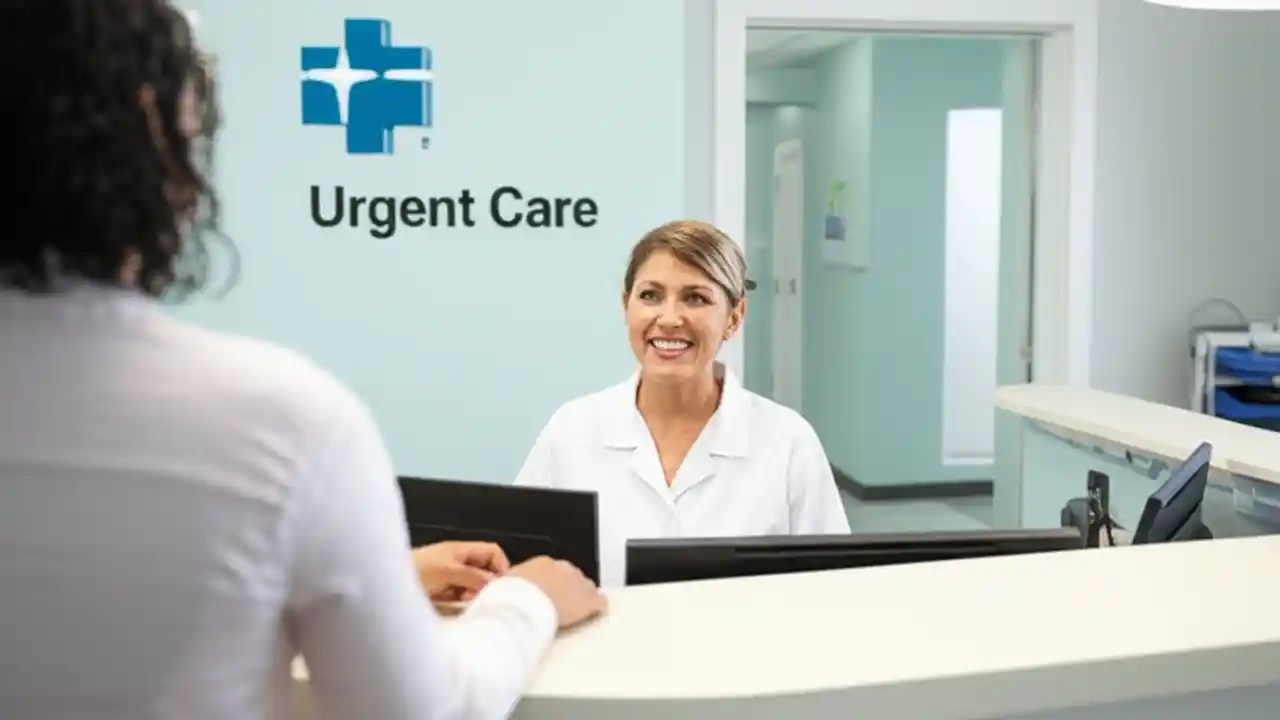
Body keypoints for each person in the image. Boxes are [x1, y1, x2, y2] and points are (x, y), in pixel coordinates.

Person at [0, 2, 604, 719]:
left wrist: (372, 581)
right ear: (156, 138)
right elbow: (424, 709)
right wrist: (524, 600)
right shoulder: (279, 425)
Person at [514, 220, 851, 587]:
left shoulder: (788, 442)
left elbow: (833, 588)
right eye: (650, 296)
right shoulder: (572, 429)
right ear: (626, 306)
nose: (670, 318)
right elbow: (519, 567)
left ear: (734, 318)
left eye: (696, 298)